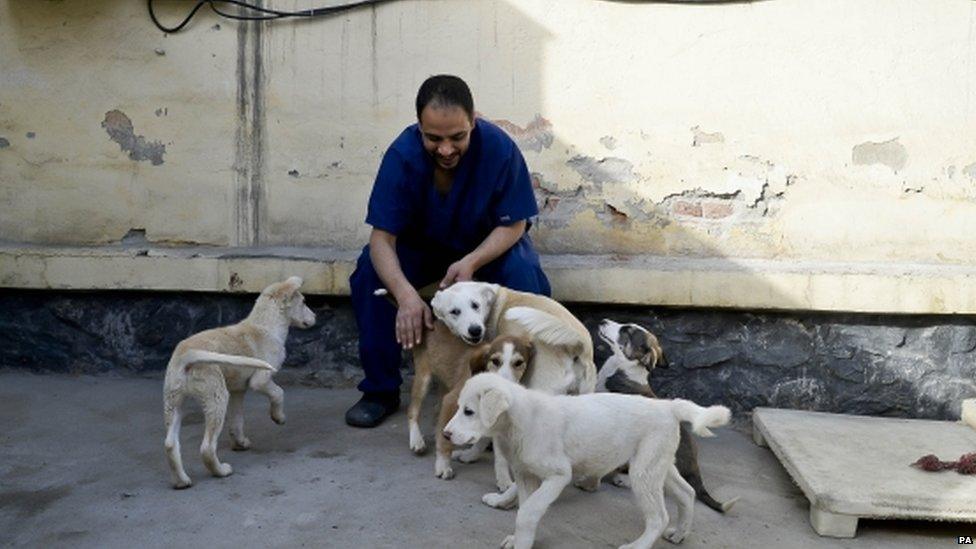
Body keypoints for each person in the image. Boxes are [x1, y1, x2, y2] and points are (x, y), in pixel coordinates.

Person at [345, 74, 551, 428]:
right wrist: (406, 296)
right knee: (368, 275)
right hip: (421, 250)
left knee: (524, 276)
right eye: (433, 138)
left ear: (473, 121)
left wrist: (473, 261)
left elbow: (514, 224)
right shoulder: (401, 156)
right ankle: (379, 390)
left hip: (486, 248)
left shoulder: (500, 149)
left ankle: (529, 388)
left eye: (457, 137)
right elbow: (382, 239)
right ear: (418, 127)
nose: (445, 149)